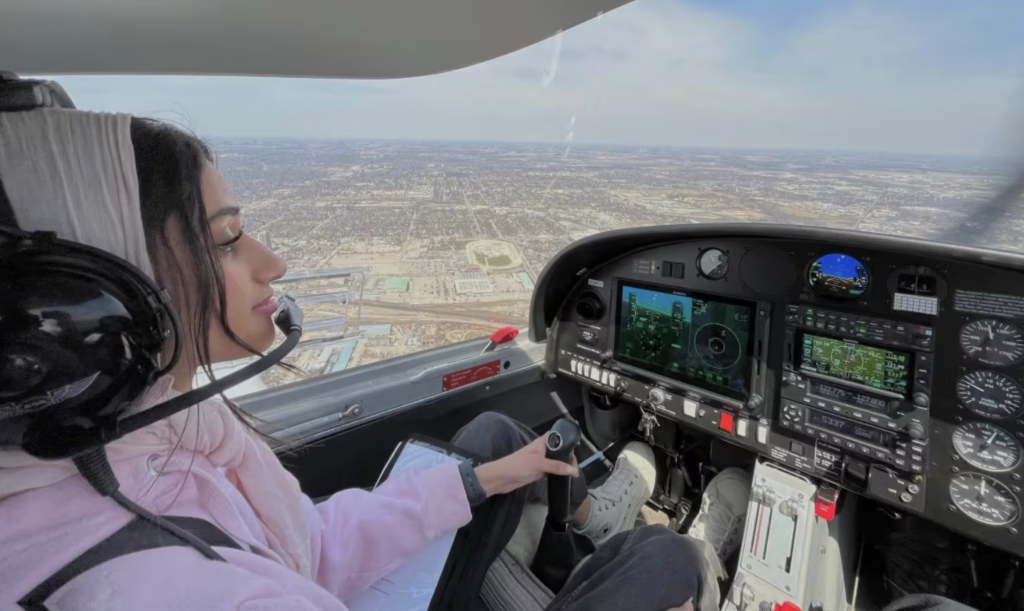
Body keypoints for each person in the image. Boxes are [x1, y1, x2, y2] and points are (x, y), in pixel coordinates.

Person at [0, 109, 732, 610]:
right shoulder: (170, 586)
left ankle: (577, 523)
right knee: (666, 557)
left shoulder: (144, 443)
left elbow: (310, 545)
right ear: (92, 310)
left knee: (495, 439)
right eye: (224, 240)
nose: (271, 262)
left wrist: (488, 479)